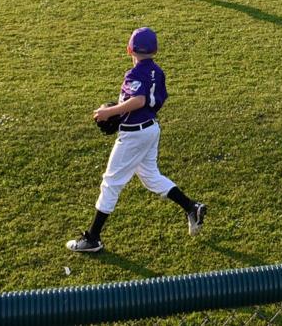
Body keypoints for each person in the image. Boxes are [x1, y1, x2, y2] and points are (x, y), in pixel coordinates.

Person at [65, 27, 206, 252]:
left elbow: (138, 100)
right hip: (151, 128)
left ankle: (93, 238)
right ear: (155, 50)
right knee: (150, 176)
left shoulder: (134, 73)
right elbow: (153, 100)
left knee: (111, 182)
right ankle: (191, 206)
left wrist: (109, 113)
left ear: (129, 48)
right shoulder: (157, 71)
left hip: (134, 134)